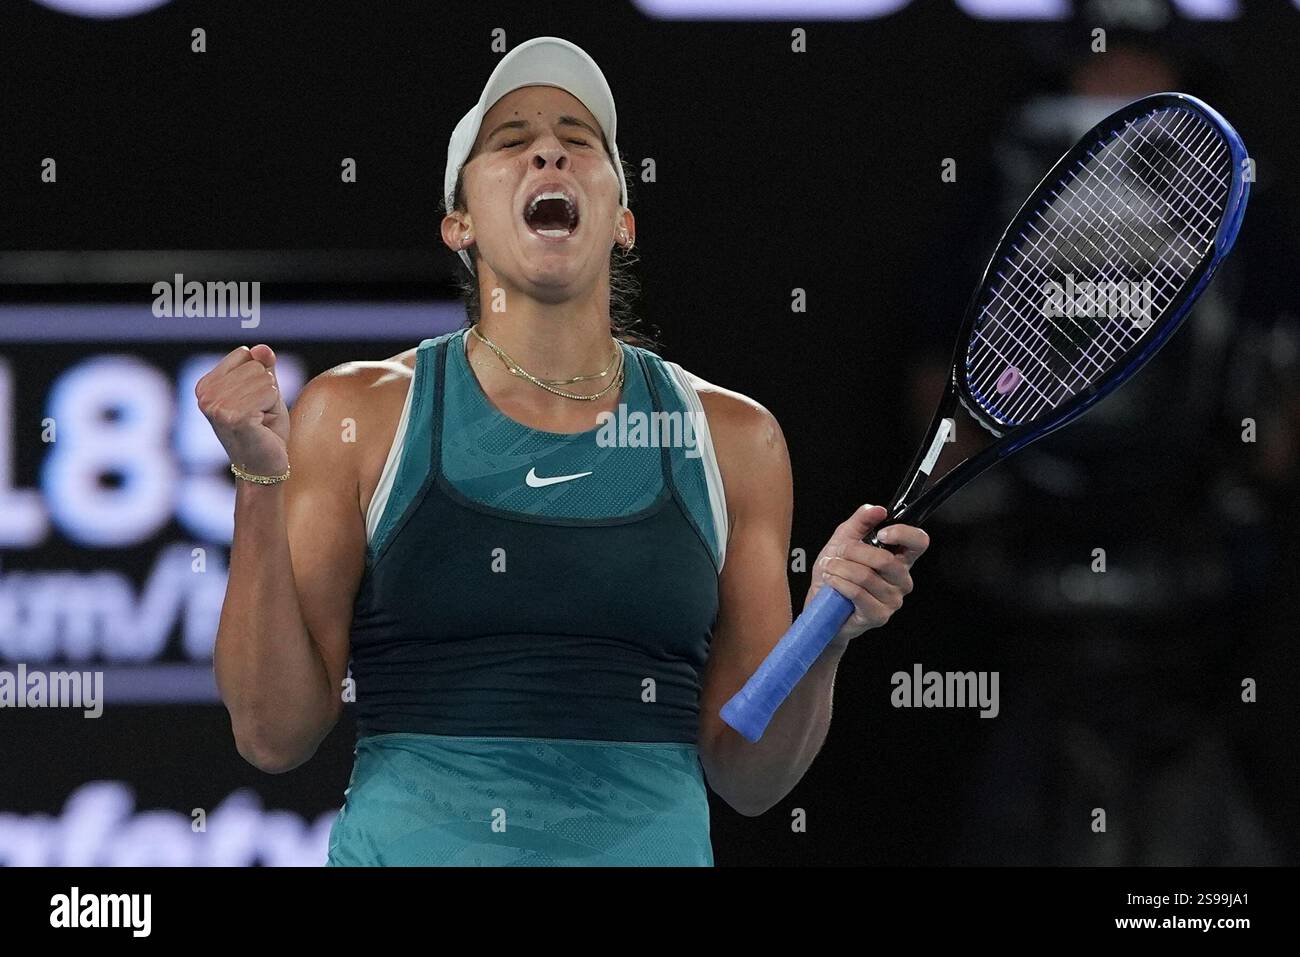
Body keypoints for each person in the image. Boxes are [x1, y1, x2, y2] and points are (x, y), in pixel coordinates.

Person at [197, 36, 929, 866]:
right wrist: (258, 478)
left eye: (580, 140)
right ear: (458, 223)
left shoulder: (734, 439)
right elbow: (271, 732)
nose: (549, 147)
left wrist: (826, 630)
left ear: (622, 220)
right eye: (510, 141)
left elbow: (749, 775)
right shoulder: (357, 412)